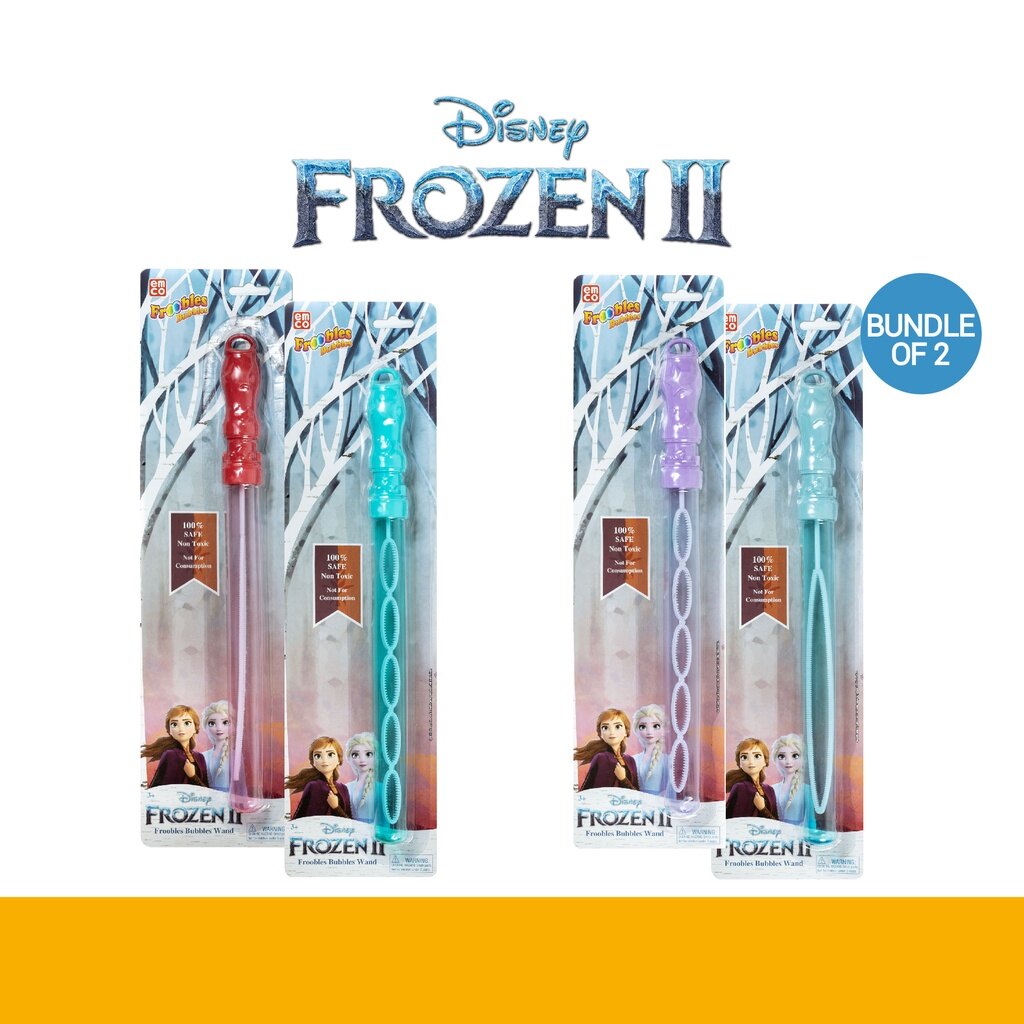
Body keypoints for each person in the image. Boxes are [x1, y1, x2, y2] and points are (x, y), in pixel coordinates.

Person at [141, 705, 209, 788]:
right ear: (169, 730)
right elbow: (166, 788)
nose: (181, 728)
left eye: (187, 723)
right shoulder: (171, 755)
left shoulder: (200, 757)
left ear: (195, 728)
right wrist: (193, 777)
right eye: (174, 724)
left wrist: (193, 776)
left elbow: (206, 790)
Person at [286, 737, 352, 819]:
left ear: (338, 759)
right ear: (313, 762)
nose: (324, 760)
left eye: (330, 755)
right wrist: (336, 808)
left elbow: (349, 821)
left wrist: (336, 807)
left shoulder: (343, 788)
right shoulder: (314, 786)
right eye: (318, 756)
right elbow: (311, 819)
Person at [574, 708, 640, 791]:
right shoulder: (601, 758)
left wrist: (623, 779)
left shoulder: (630, 760)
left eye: (617, 726)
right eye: (605, 727)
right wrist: (623, 779)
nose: (611, 732)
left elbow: (637, 793)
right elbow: (599, 792)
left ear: (626, 732)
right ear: (601, 734)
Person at [725, 737, 778, 819]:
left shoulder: (769, 790)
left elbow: (776, 822)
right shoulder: (740, 788)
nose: (751, 761)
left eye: (757, 756)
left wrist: (763, 809)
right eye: (744, 757)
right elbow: (735, 821)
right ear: (740, 763)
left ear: (765, 761)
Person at [771, 733, 809, 826]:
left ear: (803, 759)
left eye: (795, 756)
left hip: (798, 832)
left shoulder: (807, 790)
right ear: (775, 759)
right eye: (782, 756)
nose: (788, 761)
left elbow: (810, 821)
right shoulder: (772, 789)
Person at [632, 704, 667, 795]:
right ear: (636, 730)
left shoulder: (667, 760)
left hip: (658, 801)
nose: (649, 732)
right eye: (643, 727)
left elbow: (670, 789)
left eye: (655, 726)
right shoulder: (633, 759)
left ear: (663, 730)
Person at [345, 732, 375, 824]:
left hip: (372, 830)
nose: (362, 760)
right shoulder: (346, 787)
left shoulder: (381, 788)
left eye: (368, 754)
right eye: (355, 755)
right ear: (349, 758)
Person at [200, 700, 231, 792]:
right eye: (212, 723)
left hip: (227, 798)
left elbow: (241, 787)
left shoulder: (235, 756)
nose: (219, 728)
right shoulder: (203, 756)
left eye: (225, 722)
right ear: (205, 727)